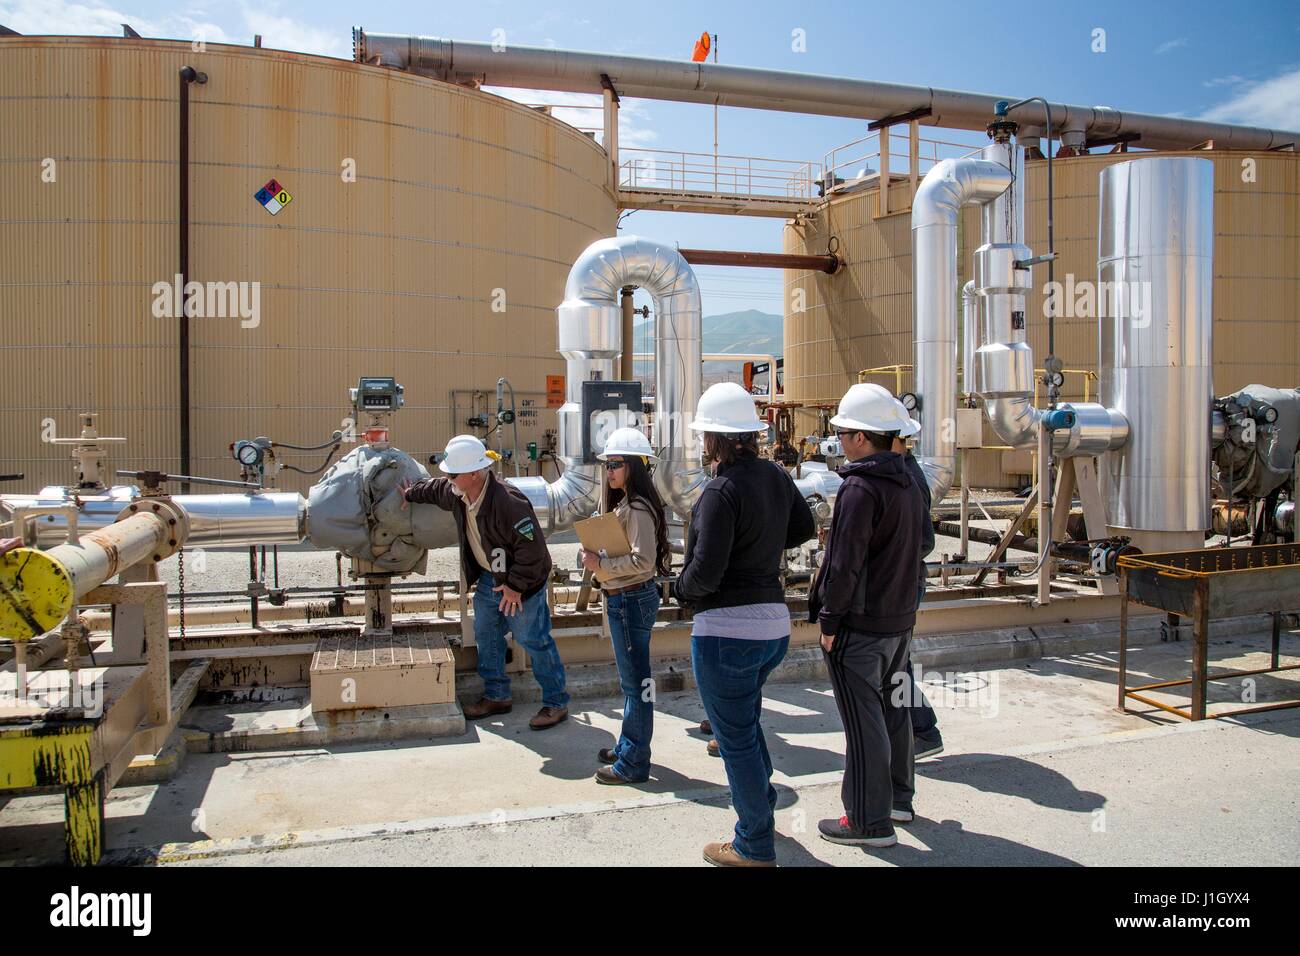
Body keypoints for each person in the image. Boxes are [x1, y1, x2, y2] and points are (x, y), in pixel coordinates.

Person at [673, 382, 816, 867]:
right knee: (746, 727)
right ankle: (763, 804)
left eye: (704, 435)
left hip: (726, 633)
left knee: (734, 741)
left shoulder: (719, 492)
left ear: (715, 437)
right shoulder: (775, 476)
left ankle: (754, 844)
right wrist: (762, 546)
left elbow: (704, 575)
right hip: (773, 626)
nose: (701, 443)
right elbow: (804, 528)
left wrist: (677, 589)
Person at [809, 383, 925, 848]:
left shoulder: (859, 488)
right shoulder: (908, 483)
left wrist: (830, 621)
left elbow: (844, 564)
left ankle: (867, 821)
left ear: (861, 437)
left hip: (860, 627)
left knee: (863, 724)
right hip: (899, 621)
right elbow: (921, 546)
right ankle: (897, 799)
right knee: (894, 710)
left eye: (842, 433)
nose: (838, 440)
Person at [401, 434, 570, 730]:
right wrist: (410, 493)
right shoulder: (458, 491)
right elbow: (436, 489)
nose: (449, 479)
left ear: (475, 473)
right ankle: (497, 696)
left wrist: (515, 587)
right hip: (491, 579)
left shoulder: (509, 502)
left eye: (454, 474)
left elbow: (534, 553)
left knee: (534, 639)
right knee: (486, 635)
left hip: (521, 587)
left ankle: (556, 703)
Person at [577, 426, 671, 785]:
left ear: (633, 466)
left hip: (630, 600)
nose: (610, 471)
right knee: (633, 681)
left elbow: (643, 561)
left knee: (637, 684)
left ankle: (633, 762)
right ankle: (628, 746)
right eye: (607, 464)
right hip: (625, 599)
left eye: (615, 464)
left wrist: (600, 564)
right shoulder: (628, 505)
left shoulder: (638, 509)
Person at [890, 396, 944, 759]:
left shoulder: (908, 478)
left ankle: (923, 730)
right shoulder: (905, 472)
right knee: (896, 662)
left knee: (896, 663)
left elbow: (925, 541)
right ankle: (914, 731)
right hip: (904, 582)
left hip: (903, 584)